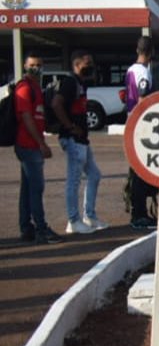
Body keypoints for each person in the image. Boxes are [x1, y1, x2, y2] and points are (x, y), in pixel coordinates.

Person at [51, 50, 106, 234]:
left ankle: (89, 216)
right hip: (73, 138)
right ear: (77, 64)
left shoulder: (81, 83)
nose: (90, 66)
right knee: (74, 180)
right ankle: (73, 220)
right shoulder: (70, 82)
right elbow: (56, 104)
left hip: (82, 139)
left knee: (94, 175)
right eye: (87, 63)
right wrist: (70, 126)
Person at [13, 54, 59, 244]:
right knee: (36, 189)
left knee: (28, 189)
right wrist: (41, 143)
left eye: (39, 65)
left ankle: (26, 228)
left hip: (30, 144)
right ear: (25, 65)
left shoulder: (35, 88)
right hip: (28, 145)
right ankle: (41, 229)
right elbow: (26, 117)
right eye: (32, 65)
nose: (36, 68)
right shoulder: (24, 88)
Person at [126, 35, 157, 231]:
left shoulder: (130, 70)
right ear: (151, 52)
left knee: (136, 171)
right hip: (141, 125)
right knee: (141, 173)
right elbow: (143, 99)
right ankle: (139, 215)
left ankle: (139, 212)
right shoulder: (144, 73)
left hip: (131, 122)